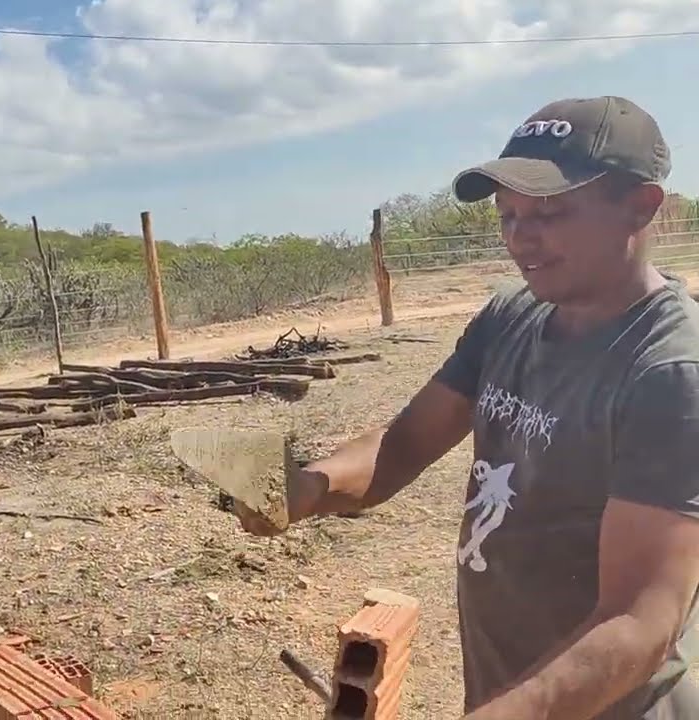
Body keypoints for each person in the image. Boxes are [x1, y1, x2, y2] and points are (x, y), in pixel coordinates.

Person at [232, 96, 699, 719]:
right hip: (512, 690)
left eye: (550, 212)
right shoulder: (512, 316)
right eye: (507, 214)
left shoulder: (669, 373)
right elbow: (401, 447)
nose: (519, 236)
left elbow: (640, 624)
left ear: (640, 207)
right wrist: (308, 487)